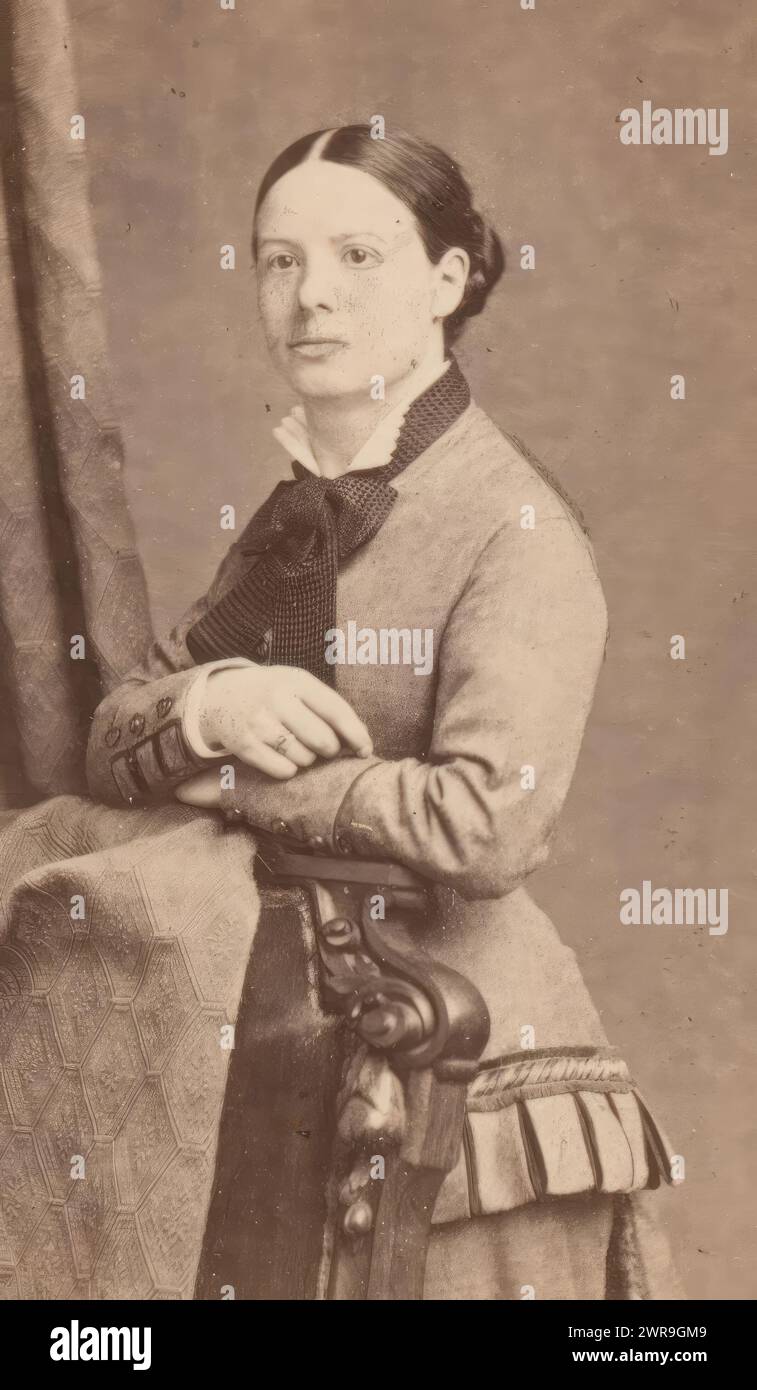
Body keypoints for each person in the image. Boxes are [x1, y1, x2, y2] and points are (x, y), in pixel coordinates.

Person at [80, 124, 682, 1299]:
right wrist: (216, 703)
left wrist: (244, 783)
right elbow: (115, 732)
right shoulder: (298, 512)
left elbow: (486, 826)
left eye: (359, 257)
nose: (310, 298)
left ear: (447, 283)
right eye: (277, 260)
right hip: (278, 1043)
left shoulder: (515, 530)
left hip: (451, 1077)